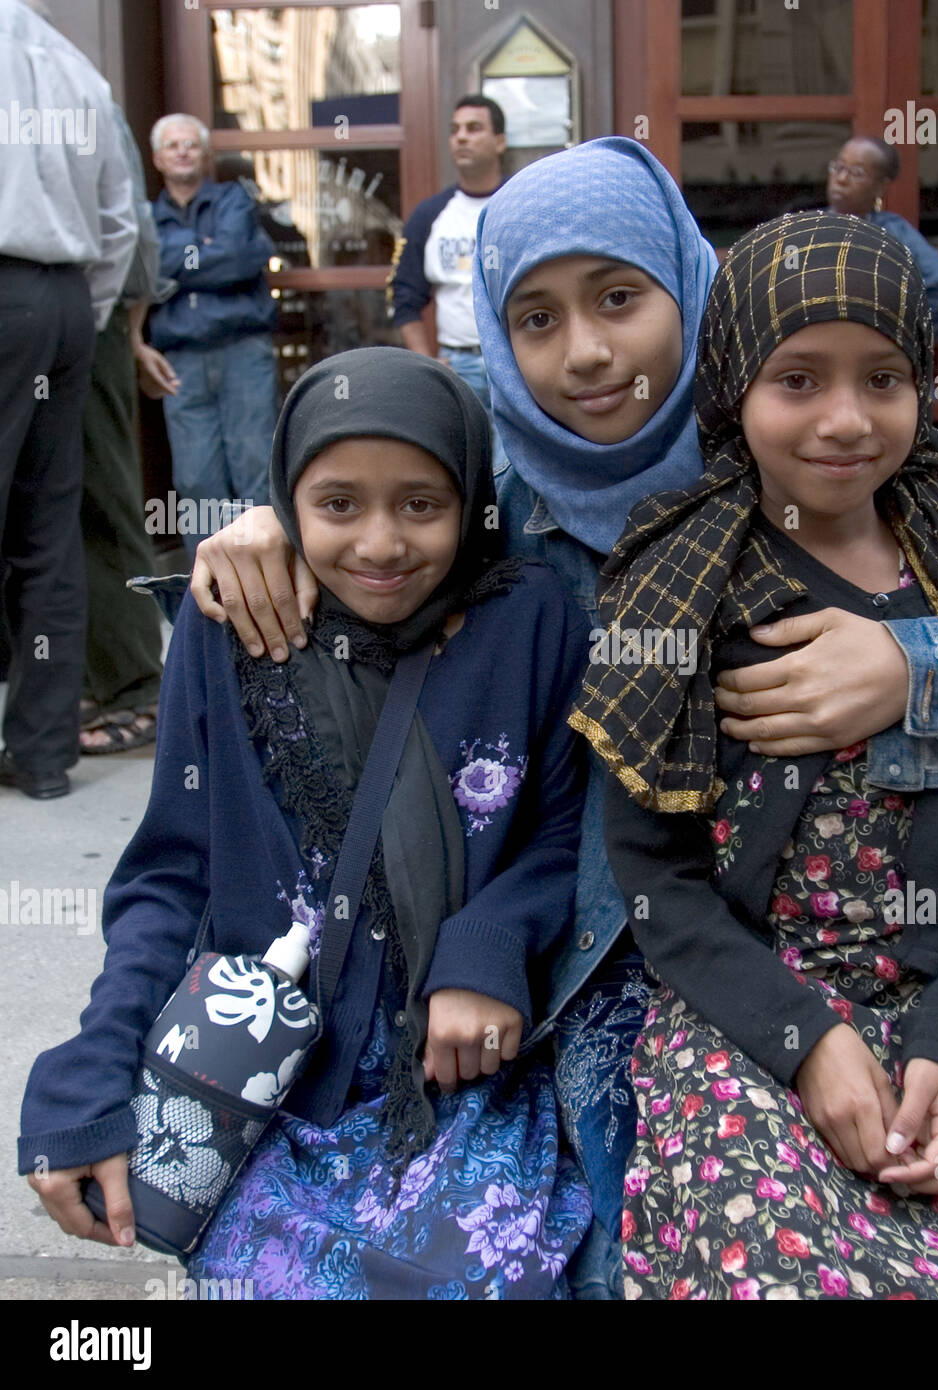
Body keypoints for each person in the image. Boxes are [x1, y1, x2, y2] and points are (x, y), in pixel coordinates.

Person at [183, 138, 938, 1296]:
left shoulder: (822, 473)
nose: (586, 353)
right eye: (534, 318)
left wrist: (913, 664)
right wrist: (273, 524)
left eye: (619, 299)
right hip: (573, 981)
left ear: (694, 297)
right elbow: (375, 510)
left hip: (799, 963)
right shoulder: (501, 509)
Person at [576, 211, 938, 1299]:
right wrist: (806, 1039)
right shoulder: (675, 584)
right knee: (771, 1263)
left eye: (883, 377)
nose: (846, 419)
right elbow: (659, 884)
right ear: (732, 385)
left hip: (937, 1005)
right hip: (740, 1018)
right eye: (798, 379)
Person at [18, 347, 592, 1299]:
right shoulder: (230, 626)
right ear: (285, 497)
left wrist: (489, 943)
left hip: (455, 1082)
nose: (378, 543)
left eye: (421, 503)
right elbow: (172, 874)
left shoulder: (528, 620)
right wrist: (90, 1069)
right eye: (336, 505)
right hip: (270, 1089)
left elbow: (566, 831)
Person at [0, 0, 137, 799]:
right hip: (63, 302)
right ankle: (44, 753)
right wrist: (78, 316)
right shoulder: (80, 72)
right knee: (50, 531)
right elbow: (119, 220)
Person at [77, 102, 174, 755]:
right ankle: (72, 675)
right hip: (76, 306)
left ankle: (134, 681)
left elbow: (130, 227)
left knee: (100, 497)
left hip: (80, 304)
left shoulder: (65, 81)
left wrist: (130, 330)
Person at [145, 113, 278, 557]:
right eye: (172, 145)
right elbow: (144, 269)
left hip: (242, 350)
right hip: (179, 360)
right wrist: (207, 251)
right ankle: (211, 596)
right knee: (196, 482)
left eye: (191, 144)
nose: (182, 151)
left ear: (205, 155)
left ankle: (265, 582)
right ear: (158, 158)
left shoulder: (233, 200)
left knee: (255, 469)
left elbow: (240, 258)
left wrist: (174, 265)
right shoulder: (147, 218)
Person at [388, 94, 507, 411]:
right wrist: (429, 364)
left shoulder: (521, 206)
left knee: (517, 461)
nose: (462, 137)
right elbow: (404, 295)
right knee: (464, 460)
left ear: (499, 142)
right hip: (457, 367)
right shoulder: (429, 215)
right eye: (455, 130)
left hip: (514, 361)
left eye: (474, 128)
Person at [826, 134, 938, 342]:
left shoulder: (893, 234)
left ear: (880, 187)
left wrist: (892, 340)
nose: (841, 178)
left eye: (856, 173)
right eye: (838, 167)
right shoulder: (802, 229)